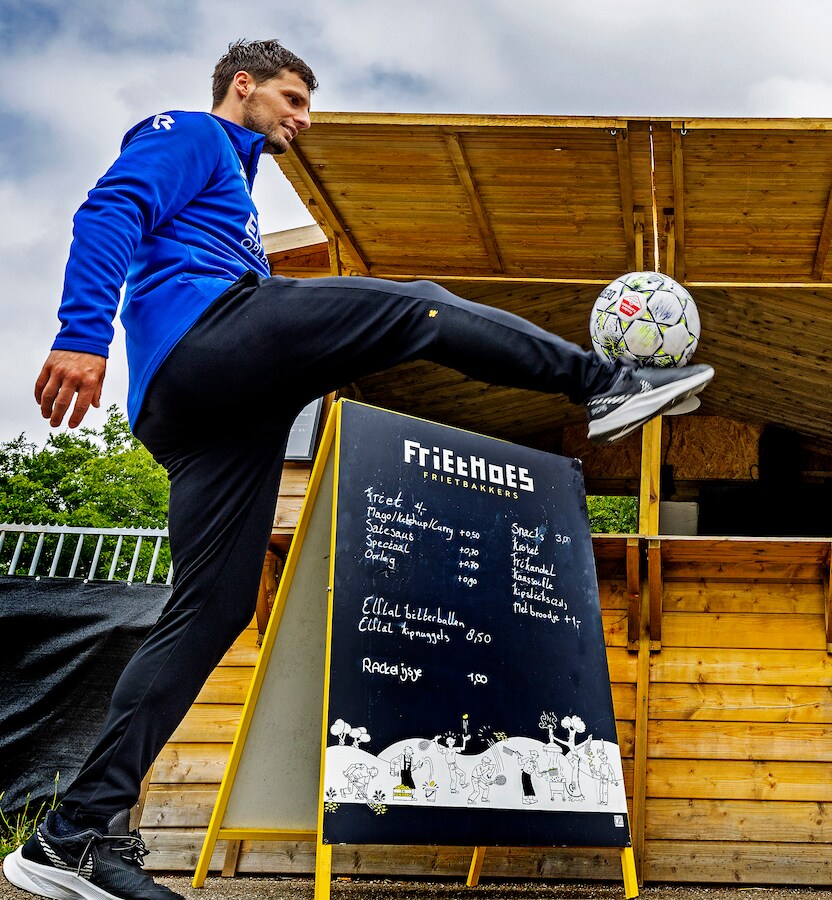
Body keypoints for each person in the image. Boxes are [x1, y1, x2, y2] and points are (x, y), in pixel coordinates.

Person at [2, 39, 711, 900]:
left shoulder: (236, 198)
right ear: (244, 86)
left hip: (211, 415)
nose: (301, 119)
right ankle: (605, 383)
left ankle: (77, 834)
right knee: (419, 306)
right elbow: (107, 212)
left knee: (212, 609)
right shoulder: (187, 133)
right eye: (293, 100)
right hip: (207, 341)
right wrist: (81, 333)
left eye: (307, 105)